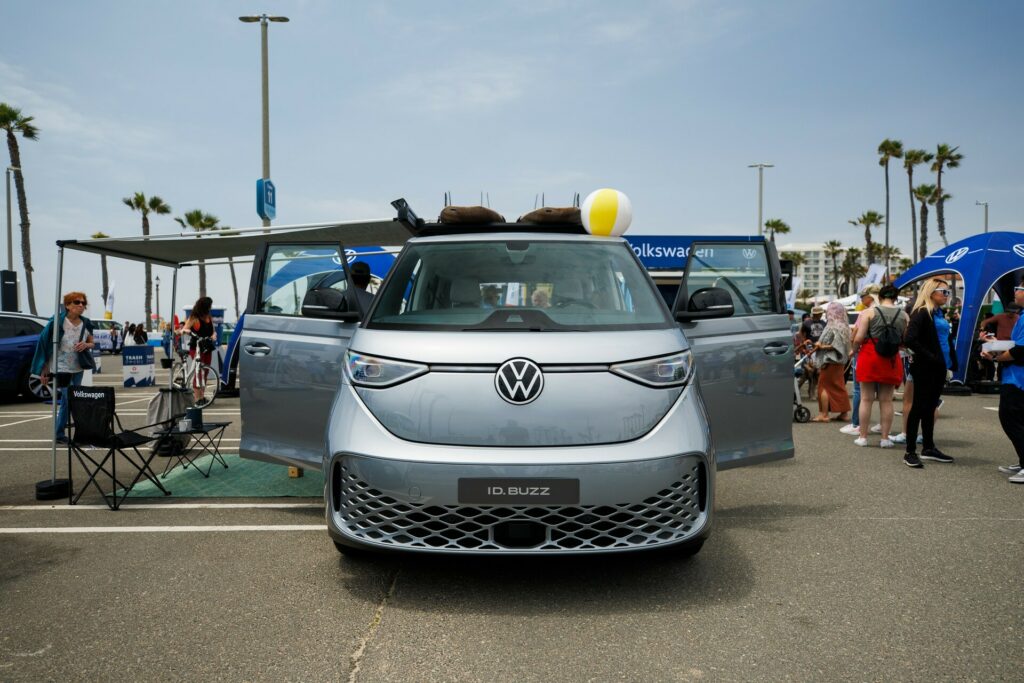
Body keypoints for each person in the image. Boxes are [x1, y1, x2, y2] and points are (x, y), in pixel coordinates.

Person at [902, 278, 956, 468]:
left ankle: (928, 447)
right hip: (926, 366)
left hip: (939, 366)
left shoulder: (938, 312)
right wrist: (930, 356)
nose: (947, 295)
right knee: (918, 407)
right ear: (932, 291)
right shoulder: (922, 312)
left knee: (930, 406)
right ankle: (910, 451)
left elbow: (944, 339)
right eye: (944, 291)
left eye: (948, 292)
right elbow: (909, 339)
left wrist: (948, 361)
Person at [30, 292, 97, 443]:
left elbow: (92, 342)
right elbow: (43, 345)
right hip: (61, 368)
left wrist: (86, 344)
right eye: (76, 302)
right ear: (67, 305)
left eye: (83, 303)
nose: (81, 305)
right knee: (69, 398)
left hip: (78, 368)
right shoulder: (57, 322)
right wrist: (44, 369)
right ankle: (61, 434)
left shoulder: (86, 323)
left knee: (72, 400)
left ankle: (64, 434)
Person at [851, 284, 908, 448]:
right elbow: (905, 339)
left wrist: (854, 351)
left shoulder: (869, 312)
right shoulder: (903, 315)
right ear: (896, 298)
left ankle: (863, 437)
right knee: (886, 400)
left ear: (880, 297)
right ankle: (885, 438)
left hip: (870, 356)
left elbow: (858, 338)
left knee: (866, 398)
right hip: (891, 358)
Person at [982, 277, 1024, 484]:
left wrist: (997, 356)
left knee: (1010, 418)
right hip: (1014, 375)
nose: (1016, 293)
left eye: (1019, 289)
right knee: (1017, 419)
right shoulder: (1021, 315)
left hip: (1019, 378)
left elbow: (1021, 351)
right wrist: (995, 346)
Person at [840, 285, 880, 436]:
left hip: (866, 353)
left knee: (859, 389)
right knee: (884, 394)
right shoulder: (890, 310)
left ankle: (857, 423)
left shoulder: (866, 312)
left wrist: (853, 350)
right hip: (886, 355)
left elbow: (856, 335)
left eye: (863, 296)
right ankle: (883, 424)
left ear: (870, 296)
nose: (862, 300)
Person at [811, 301, 852, 422]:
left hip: (830, 360)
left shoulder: (832, 326)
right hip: (840, 361)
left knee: (823, 386)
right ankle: (844, 413)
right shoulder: (845, 326)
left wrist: (821, 346)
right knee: (839, 386)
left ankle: (823, 414)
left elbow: (835, 344)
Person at [185, 297, 216, 404]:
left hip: (207, 347)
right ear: (204, 306)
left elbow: (213, 331)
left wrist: (213, 335)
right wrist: (188, 332)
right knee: (199, 371)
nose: (210, 308)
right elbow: (185, 328)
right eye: (209, 306)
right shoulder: (194, 318)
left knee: (205, 371)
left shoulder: (208, 317)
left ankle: (202, 396)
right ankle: (197, 398)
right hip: (197, 347)